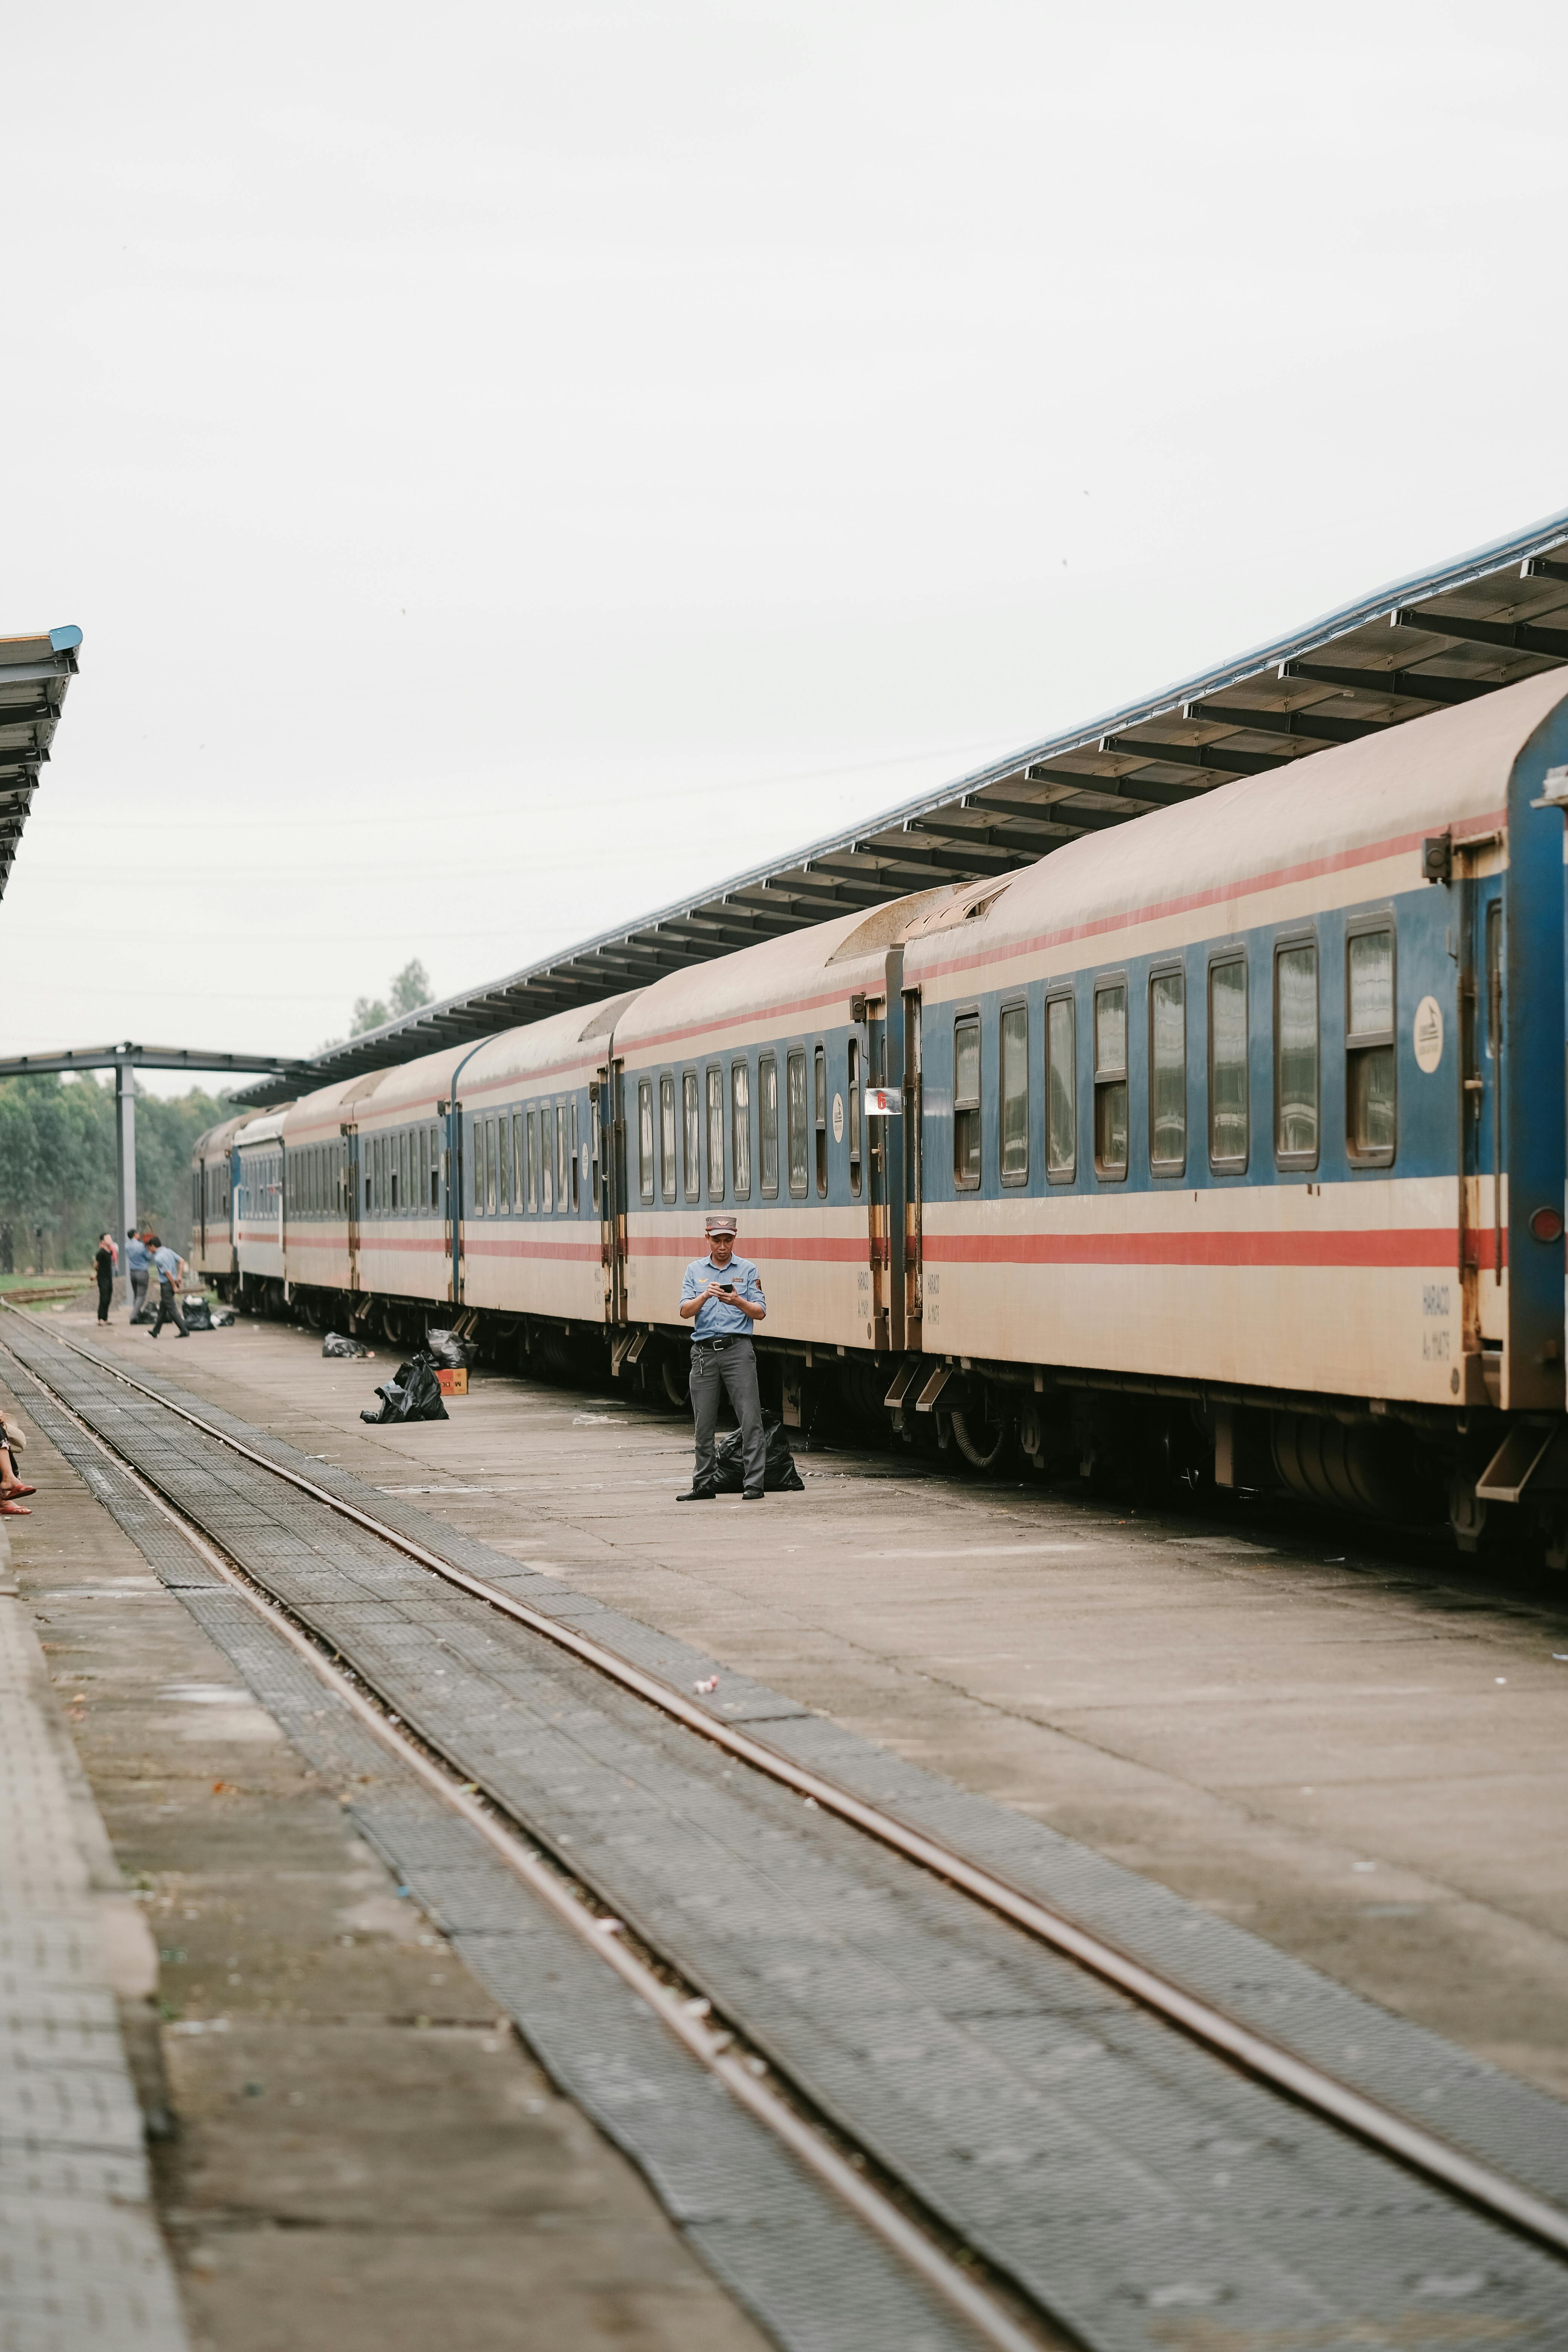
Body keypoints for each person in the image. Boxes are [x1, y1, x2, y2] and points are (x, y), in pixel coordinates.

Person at [677, 1213, 767, 1501]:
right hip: (704, 1353)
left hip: (738, 1351)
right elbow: (684, 1311)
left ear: (735, 1238)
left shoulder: (748, 1269)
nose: (722, 1246)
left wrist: (737, 1300)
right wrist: (705, 1296)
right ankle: (703, 1485)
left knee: (750, 1418)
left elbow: (761, 1312)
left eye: (728, 1240)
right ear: (707, 1239)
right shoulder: (694, 1270)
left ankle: (754, 1484)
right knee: (704, 1422)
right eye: (717, 1240)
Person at [147, 1236, 190, 1340]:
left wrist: (174, 1286)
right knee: (163, 1307)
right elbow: (182, 1261)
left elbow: (168, 1273)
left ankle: (184, 1330)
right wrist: (179, 1276)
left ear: (153, 1246)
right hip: (173, 1281)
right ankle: (155, 1331)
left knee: (172, 1309)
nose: (149, 1250)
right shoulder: (169, 1251)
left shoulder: (158, 1258)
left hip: (167, 1284)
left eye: (149, 1248)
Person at [126, 1230, 152, 1323]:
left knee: (136, 1295)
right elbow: (149, 1258)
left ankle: (137, 1315)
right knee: (141, 1296)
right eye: (138, 1234)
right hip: (142, 1272)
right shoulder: (142, 1246)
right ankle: (133, 1316)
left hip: (132, 1273)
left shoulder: (127, 1246)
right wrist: (149, 1250)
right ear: (135, 1235)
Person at [94, 1232, 117, 1324]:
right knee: (103, 1297)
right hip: (103, 1278)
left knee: (108, 1297)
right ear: (103, 1241)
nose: (110, 1240)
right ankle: (100, 1319)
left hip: (109, 1277)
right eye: (108, 1239)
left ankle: (106, 1318)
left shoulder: (110, 1251)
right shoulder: (101, 1252)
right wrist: (98, 1274)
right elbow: (96, 1265)